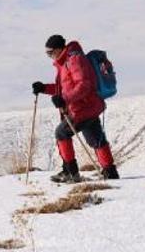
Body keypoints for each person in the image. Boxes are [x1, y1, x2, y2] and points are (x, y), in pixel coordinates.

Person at [32, 34, 120, 182]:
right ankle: (110, 172)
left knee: (61, 133)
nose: (50, 57)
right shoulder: (65, 62)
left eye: (50, 53)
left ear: (59, 49)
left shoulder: (74, 60)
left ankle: (70, 172)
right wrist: (44, 88)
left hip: (82, 108)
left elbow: (84, 85)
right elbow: (63, 89)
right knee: (96, 139)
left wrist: (65, 99)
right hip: (89, 106)